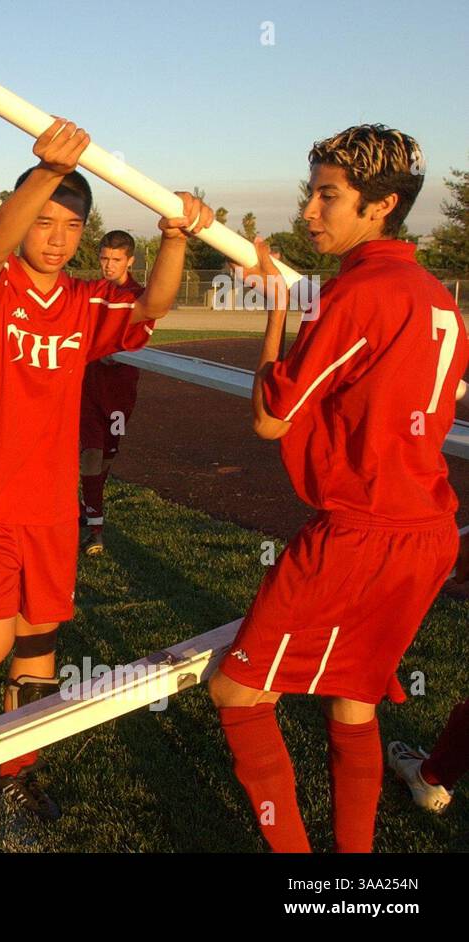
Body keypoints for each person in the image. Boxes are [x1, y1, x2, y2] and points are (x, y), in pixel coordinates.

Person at [0, 118, 210, 821]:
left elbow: (155, 305)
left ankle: (15, 770)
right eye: (43, 218)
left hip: (52, 509)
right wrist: (47, 172)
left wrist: (176, 238)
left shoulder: (87, 303)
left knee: (39, 658)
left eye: (70, 225)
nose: (54, 236)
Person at [208, 125, 468, 853]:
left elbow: (270, 418)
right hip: (429, 529)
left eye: (328, 196)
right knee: (353, 701)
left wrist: (274, 311)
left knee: (238, 692)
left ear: (381, 205)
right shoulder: (433, 293)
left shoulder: (360, 291)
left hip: (363, 532)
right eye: (310, 193)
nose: (309, 211)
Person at [78, 230, 144, 555]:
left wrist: (118, 350)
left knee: (105, 460)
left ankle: (88, 505)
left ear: (129, 260)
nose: (108, 265)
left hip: (120, 392)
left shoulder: (140, 296)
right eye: (104, 258)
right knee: (89, 454)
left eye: (116, 260)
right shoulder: (93, 292)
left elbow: (141, 335)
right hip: (88, 386)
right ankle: (96, 531)